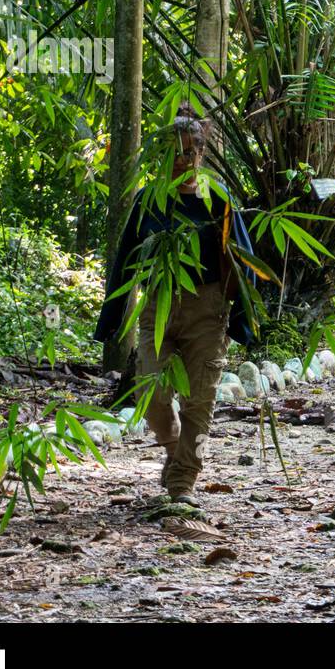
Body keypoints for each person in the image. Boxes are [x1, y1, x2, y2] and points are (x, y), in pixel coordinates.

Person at [93, 105, 263, 505]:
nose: (183, 160)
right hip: (158, 307)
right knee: (150, 394)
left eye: (190, 152)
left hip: (207, 309)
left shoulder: (217, 200)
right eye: (174, 152)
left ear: (201, 155)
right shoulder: (149, 201)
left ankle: (184, 481)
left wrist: (243, 320)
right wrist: (112, 320)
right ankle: (174, 451)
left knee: (200, 400)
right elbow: (126, 260)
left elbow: (243, 260)